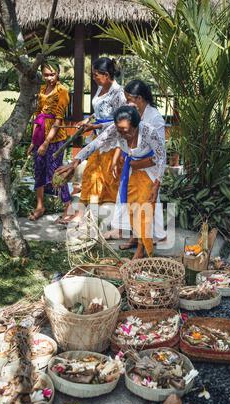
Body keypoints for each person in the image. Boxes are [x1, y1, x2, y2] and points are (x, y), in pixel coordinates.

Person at [56, 105, 166, 259]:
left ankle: (142, 249)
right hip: (131, 168)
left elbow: (161, 158)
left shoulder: (149, 132)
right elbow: (95, 144)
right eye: (119, 130)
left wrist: (157, 184)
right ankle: (137, 241)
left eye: (126, 130)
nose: (122, 134)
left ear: (136, 125)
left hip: (150, 169)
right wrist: (75, 162)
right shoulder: (115, 130)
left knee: (144, 208)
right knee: (133, 208)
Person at [105, 79, 167, 247]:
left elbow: (161, 152)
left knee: (145, 203)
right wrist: (118, 156)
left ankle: (145, 239)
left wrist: (139, 164)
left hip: (149, 167)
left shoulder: (155, 118)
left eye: (129, 99)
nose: (127, 103)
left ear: (139, 98)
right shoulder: (134, 112)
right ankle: (135, 237)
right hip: (132, 164)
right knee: (131, 201)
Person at [76, 57, 126, 208]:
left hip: (113, 141)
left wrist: (96, 127)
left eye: (96, 74)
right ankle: (89, 208)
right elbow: (99, 111)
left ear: (105, 74)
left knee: (110, 177)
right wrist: (88, 120)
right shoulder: (99, 88)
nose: (94, 78)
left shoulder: (119, 93)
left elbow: (122, 120)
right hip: (97, 139)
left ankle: (113, 214)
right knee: (90, 173)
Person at [27, 61, 71, 222]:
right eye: (46, 74)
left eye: (52, 74)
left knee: (56, 172)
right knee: (38, 170)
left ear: (58, 74)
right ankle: (40, 206)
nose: (49, 78)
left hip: (56, 138)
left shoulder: (63, 91)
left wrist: (46, 143)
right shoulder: (41, 90)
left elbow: (59, 120)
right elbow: (37, 117)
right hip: (39, 136)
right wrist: (34, 142)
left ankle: (68, 207)